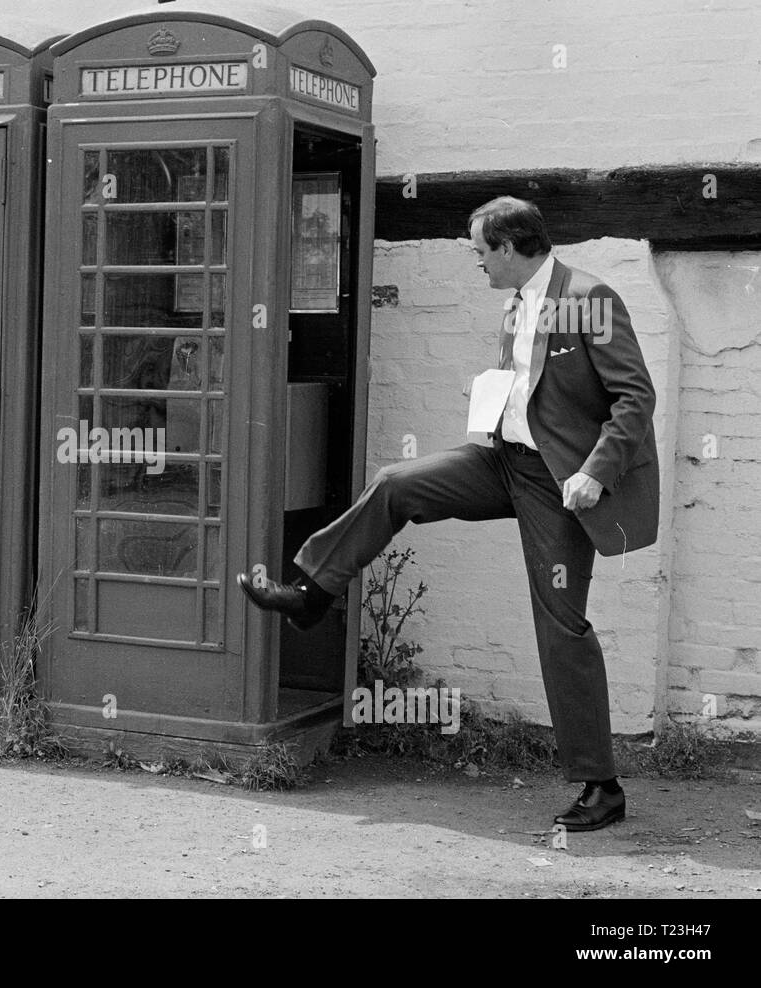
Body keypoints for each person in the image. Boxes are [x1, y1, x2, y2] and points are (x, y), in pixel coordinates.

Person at [239, 196, 660, 832]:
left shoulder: (588, 298)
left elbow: (635, 397)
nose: (476, 263)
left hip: (557, 483)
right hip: (504, 461)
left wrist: (594, 474)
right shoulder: (519, 303)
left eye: (480, 251)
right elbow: (537, 388)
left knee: (561, 626)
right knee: (396, 483)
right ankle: (311, 592)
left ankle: (601, 785)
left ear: (512, 248)